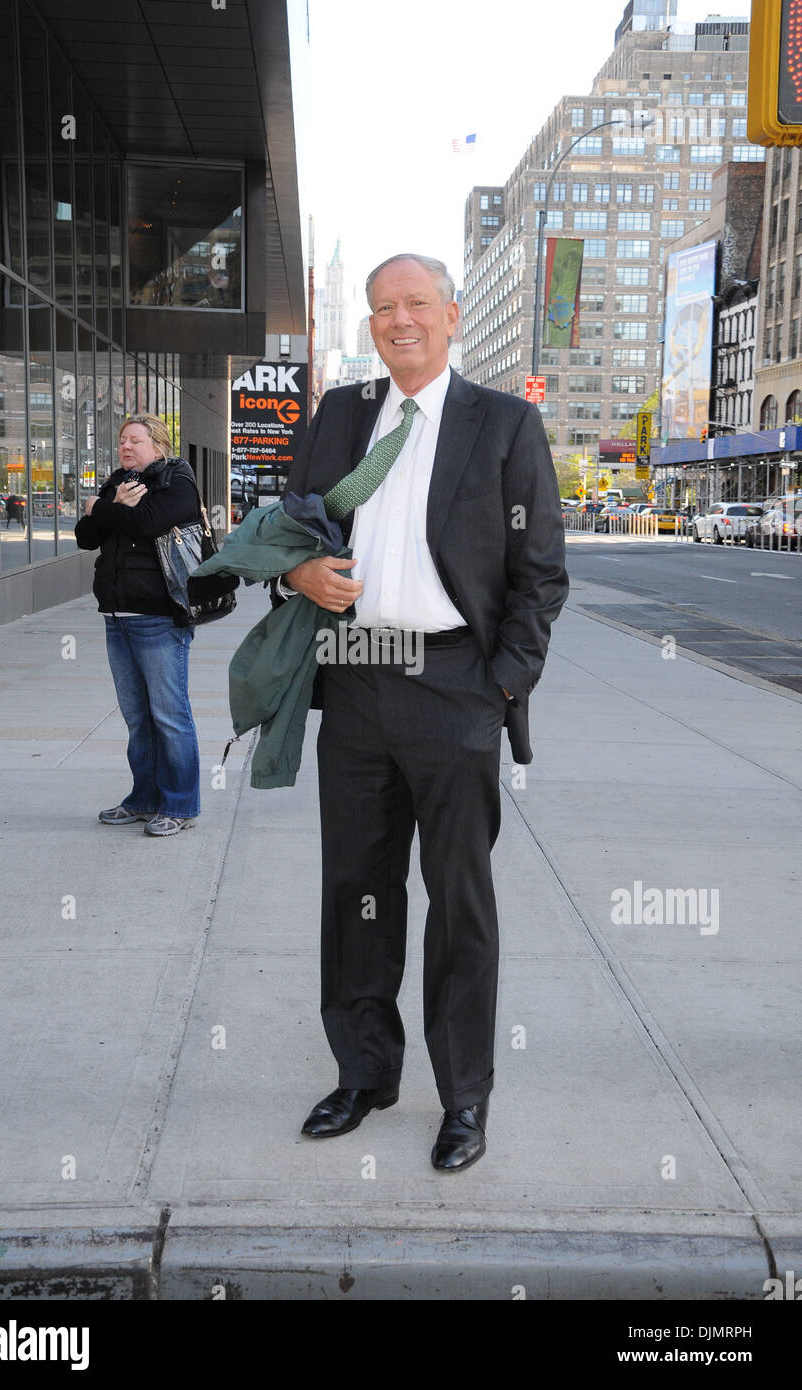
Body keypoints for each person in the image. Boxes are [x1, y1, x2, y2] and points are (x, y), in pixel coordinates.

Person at [280, 254, 568, 1171]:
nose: (398, 320)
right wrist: (296, 573)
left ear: (448, 315)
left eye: (414, 305)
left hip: (454, 686)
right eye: (381, 309)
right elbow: (286, 527)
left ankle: (465, 1099)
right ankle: (365, 1074)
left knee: (460, 905)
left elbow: (541, 578)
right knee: (355, 894)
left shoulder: (504, 424)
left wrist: (501, 688)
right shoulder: (339, 417)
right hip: (357, 676)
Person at [75, 413, 202, 837]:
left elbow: (146, 523)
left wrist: (101, 507)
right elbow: (85, 537)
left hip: (159, 617)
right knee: (137, 717)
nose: (126, 447)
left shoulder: (177, 481)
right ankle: (144, 798)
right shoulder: (117, 483)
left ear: (159, 446)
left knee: (170, 715)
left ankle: (180, 805)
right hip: (117, 615)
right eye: (123, 441)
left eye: (136, 441)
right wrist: (110, 508)